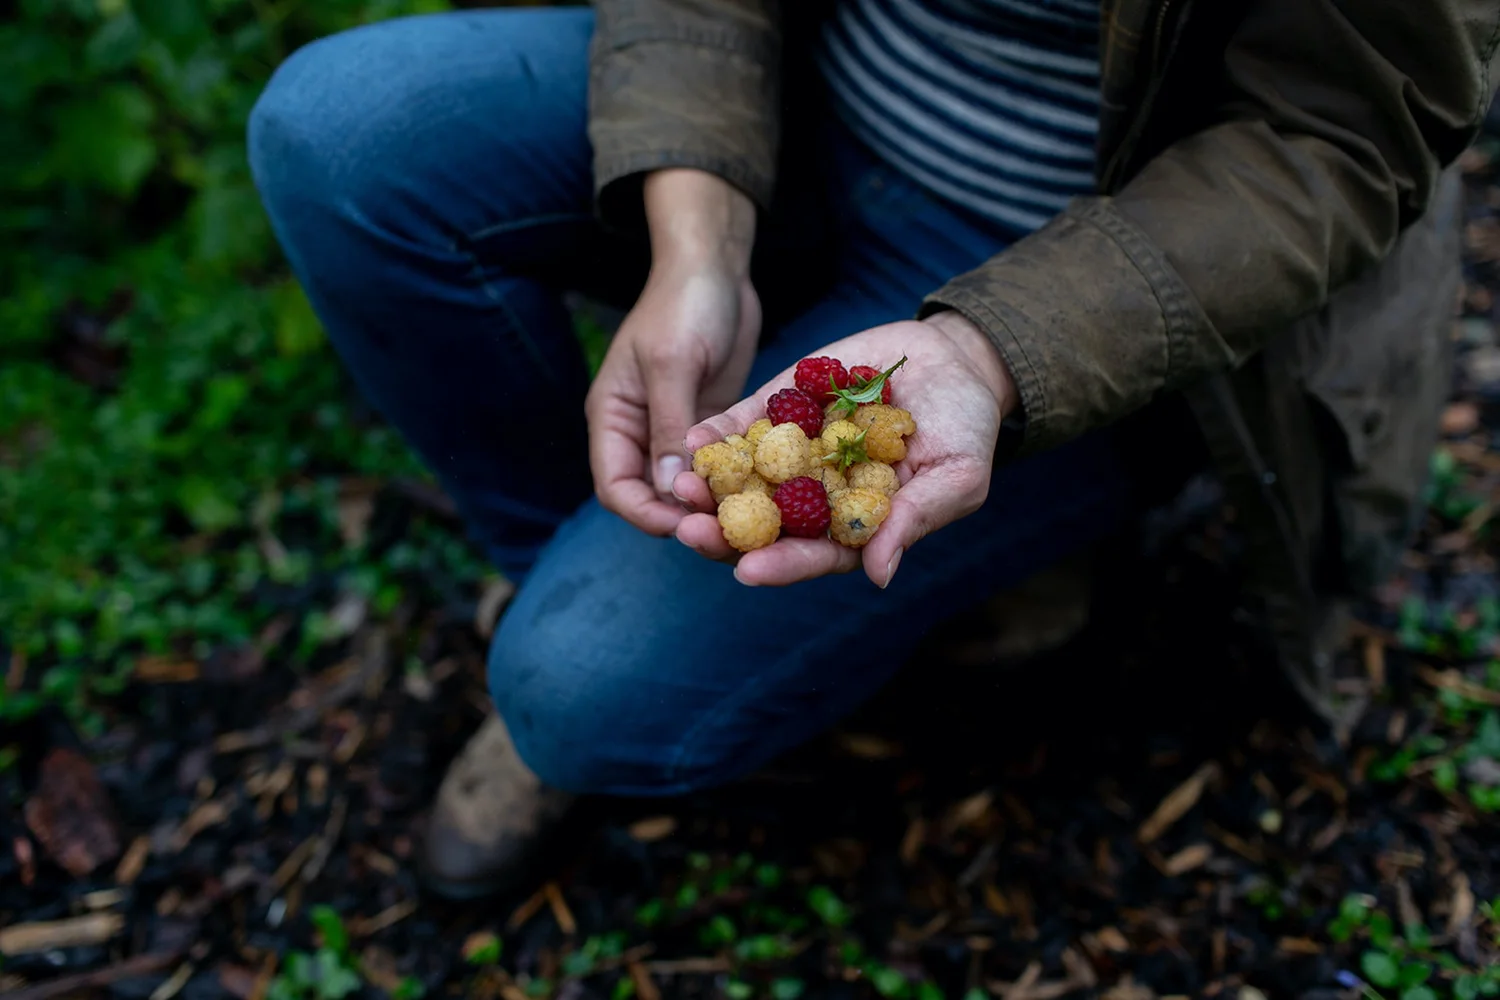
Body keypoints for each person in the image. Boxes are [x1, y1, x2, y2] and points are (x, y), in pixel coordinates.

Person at [248, 0, 1489, 898]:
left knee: (574, 692)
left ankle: (1042, 525)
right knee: (340, 131)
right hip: (807, 107)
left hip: (1100, 273)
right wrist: (698, 243)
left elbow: (1334, 136)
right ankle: (567, 564)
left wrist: (996, 359)